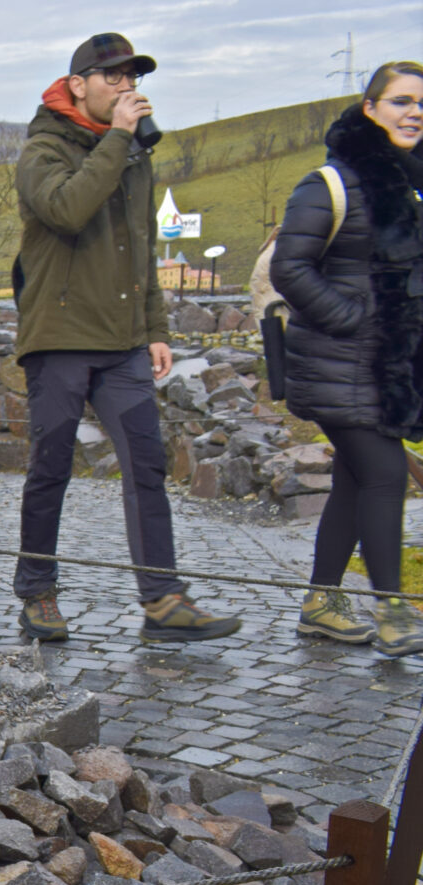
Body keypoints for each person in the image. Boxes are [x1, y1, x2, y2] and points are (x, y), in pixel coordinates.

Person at [10, 34, 240, 645]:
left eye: (133, 76)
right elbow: (68, 208)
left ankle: (162, 599)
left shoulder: (135, 154)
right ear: (78, 84)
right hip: (59, 336)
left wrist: (156, 330)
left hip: (123, 344)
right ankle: (37, 592)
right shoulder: (41, 148)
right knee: (51, 465)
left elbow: (140, 248)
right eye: (113, 76)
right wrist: (116, 136)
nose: (127, 86)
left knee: (147, 462)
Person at [271, 60, 423, 656]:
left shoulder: (412, 186)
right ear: (370, 109)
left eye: (422, 105)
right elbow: (290, 267)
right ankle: (393, 611)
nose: (414, 113)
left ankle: (320, 603)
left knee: (355, 482)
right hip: (340, 364)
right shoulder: (330, 183)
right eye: (401, 101)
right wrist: (354, 320)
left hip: (387, 370)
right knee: (385, 475)